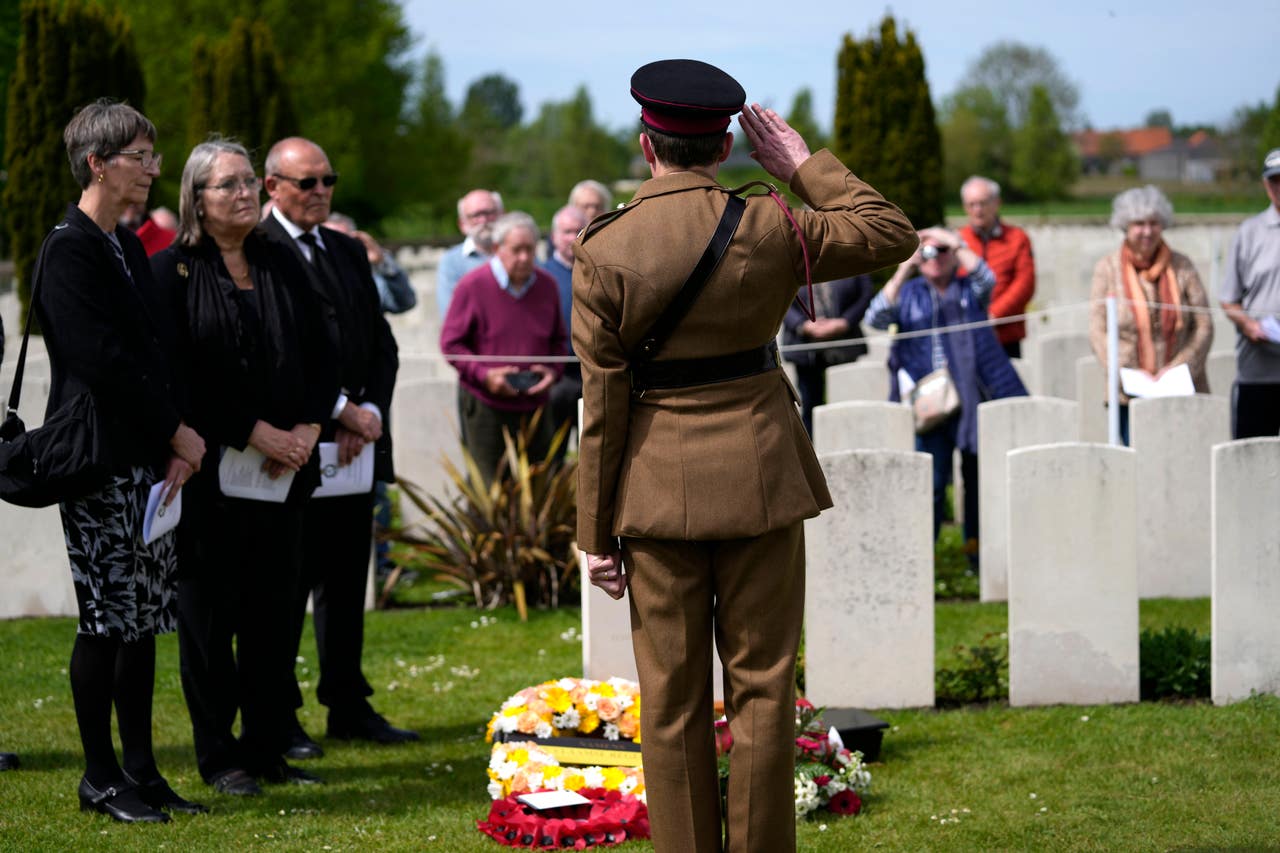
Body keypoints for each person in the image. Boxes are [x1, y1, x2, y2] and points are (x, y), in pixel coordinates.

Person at [574, 59, 917, 853]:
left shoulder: (605, 246)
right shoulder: (773, 223)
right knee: (763, 690)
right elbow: (890, 230)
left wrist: (595, 532)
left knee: (671, 699)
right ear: (726, 144)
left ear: (644, 144)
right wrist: (801, 166)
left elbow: (604, 406)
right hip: (763, 478)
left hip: (656, 493)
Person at [35, 99, 207, 823]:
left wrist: (175, 437)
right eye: (140, 156)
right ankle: (99, 776)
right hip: (102, 459)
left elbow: (152, 353)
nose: (152, 168)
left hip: (148, 459)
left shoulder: (127, 245)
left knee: (141, 621)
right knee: (106, 619)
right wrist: (175, 429)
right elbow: (99, 360)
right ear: (98, 163)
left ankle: (141, 768)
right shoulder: (68, 248)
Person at [152, 139, 337, 795]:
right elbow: (179, 376)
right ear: (196, 198)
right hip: (212, 474)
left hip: (287, 471)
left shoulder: (282, 261)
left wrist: (311, 426)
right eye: (227, 184)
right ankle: (219, 753)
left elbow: (325, 349)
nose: (245, 193)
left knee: (274, 614)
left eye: (248, 183)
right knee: (208, 618)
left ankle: (266, 747)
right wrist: (256, 431)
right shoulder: (171, 271)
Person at [261, 136, 417, 750]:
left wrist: (370, 411)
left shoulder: (348, 251)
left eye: (330, 181)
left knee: (348, 582)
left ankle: (347, 703)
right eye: (309, 183)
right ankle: (279, 711)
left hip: (353, 450)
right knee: (283, 586)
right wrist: (338, 413)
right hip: (292, 448)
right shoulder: (258, 251)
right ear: (273, 185)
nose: (322, 192)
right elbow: (275, 356)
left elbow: (382, 343)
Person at [866, 227, 1027, 547]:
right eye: (928, 252)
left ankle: (974, 553)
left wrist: (955, 242)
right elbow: (876, 317)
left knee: (976, 481)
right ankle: (927, 555)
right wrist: (904, 267)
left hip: (972, 399)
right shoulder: (909, 293)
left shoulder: (969, 290)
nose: (935, 258)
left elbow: (989, 279)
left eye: (942, 252)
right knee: (933, 482)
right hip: (930, 405)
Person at [441, 211, 567, 481]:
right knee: (489, 489)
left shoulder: (547, 286)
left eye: (530, 249)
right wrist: (485, 376)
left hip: (535, 402)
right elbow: (451, 344)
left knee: (537, 487)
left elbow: (559, 340)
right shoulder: (472, 286)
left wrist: (552, 372)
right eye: (516, 249)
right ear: (497, 248)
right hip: (486, 405)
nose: (524, 257)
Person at [1088, 185, 1213, 444]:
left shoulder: (1182, 266)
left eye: (1154, 223)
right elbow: (1097, 328)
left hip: (1180, 386)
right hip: (1130, 391)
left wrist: (1178, 367)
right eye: (1139, 224)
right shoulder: (1107, 269)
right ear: (1125, 226)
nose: (1147, 231)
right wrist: (1127, 371)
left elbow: (1203, 324)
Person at [1219, 148, 1280, 438]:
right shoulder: (1249, 233)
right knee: (1253, 459)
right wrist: (1249, 325)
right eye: (1275, 180)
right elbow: (1228, 299)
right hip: (1258, 370)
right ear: (1266, 185)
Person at [780, 274, 875, 434]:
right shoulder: (790, 254)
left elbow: (865, 293)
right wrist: (801, 325)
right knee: (809, 404)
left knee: (847, 406)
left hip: (844, 344)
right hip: (805, 347)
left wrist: (845, 322)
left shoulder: (849, 253)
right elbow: (779, 295)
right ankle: (811, 451)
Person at [958, 176, 1036, 358]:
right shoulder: (958, 241)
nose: (977, 210)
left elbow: (1025, 284)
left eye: (983, 203)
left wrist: (994, 315)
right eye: (971, 204)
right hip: (966, 334)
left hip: (1005, 336)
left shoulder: (1017, 238)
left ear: (996, 203)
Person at [540, 204, 589, 458]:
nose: (573, 236)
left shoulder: (597, 271)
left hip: (591, 373)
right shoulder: (540, 276)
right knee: (552, 454)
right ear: (554, 236)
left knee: (590, 455)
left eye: (579, 230)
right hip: (556, 377)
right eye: (566, 231)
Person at [326, 212, 417, 315]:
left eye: (342, 239)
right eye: (328, 239)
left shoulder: (368, 278)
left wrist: (381, 261)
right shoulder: (312, 274)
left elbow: (405, 303)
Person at [436, 189, 504, 319]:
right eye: (475, 215)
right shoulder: (451, 262)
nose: (483, 220)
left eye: (489, 213)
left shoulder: (521, 254)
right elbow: (451, 316)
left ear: (502, 214)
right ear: (462, 224)